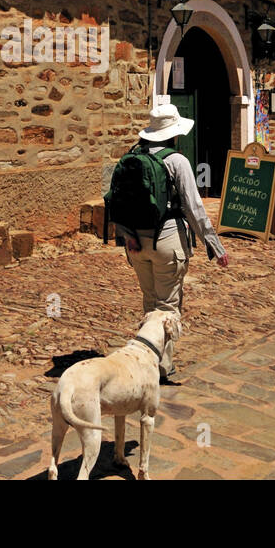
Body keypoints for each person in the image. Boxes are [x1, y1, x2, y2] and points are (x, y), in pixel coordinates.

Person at [111, 103, 229, 384]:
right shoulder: (177, 161)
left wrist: (127, 236)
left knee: (150, 302)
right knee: (167, 307)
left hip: (136, 242)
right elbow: (194, 208)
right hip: (167, 240)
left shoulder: (132, 156)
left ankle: (145, 360)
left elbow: (117, 201)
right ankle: (162, 367)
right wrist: (215, 246)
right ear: (174, 133)